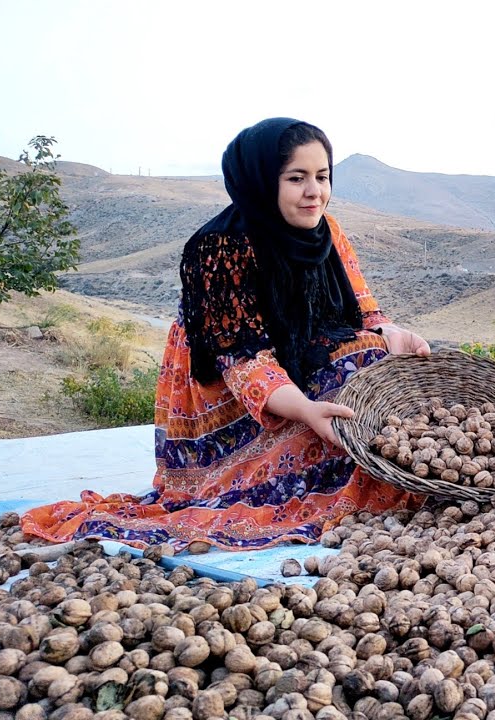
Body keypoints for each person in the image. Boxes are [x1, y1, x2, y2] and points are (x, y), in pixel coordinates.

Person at [22, 118, 428, 550]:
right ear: (260, 181)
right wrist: (307, 410)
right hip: (230, 397)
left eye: (322, 177)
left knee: (374, 357)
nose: (314, 191)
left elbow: (363, 308)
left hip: (295, 359)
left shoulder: (328, 231)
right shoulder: (222, 247)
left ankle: (393, 472)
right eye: (296, 178)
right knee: (356, 367)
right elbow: (243, 362)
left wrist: (391, 333)